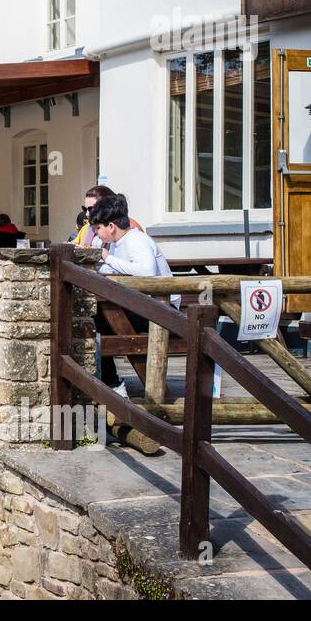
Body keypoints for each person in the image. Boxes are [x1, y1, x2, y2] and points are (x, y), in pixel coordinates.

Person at [88, 194, 171, 456]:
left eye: (98, 229)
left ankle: (111, 390)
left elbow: (146, 272)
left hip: (162, 312)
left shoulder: (135, 240)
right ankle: (112, 387)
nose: (97, 234)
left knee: (97, 322)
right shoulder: (117, 244)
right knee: (94, 322)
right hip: (141, 306)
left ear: (111, 226)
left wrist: (106, 258)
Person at [73, 185, 145, 247]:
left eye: (91, 209)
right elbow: (86, 249)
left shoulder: (130, 226)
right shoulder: (90, 228)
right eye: (85, 209)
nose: (87, 214)